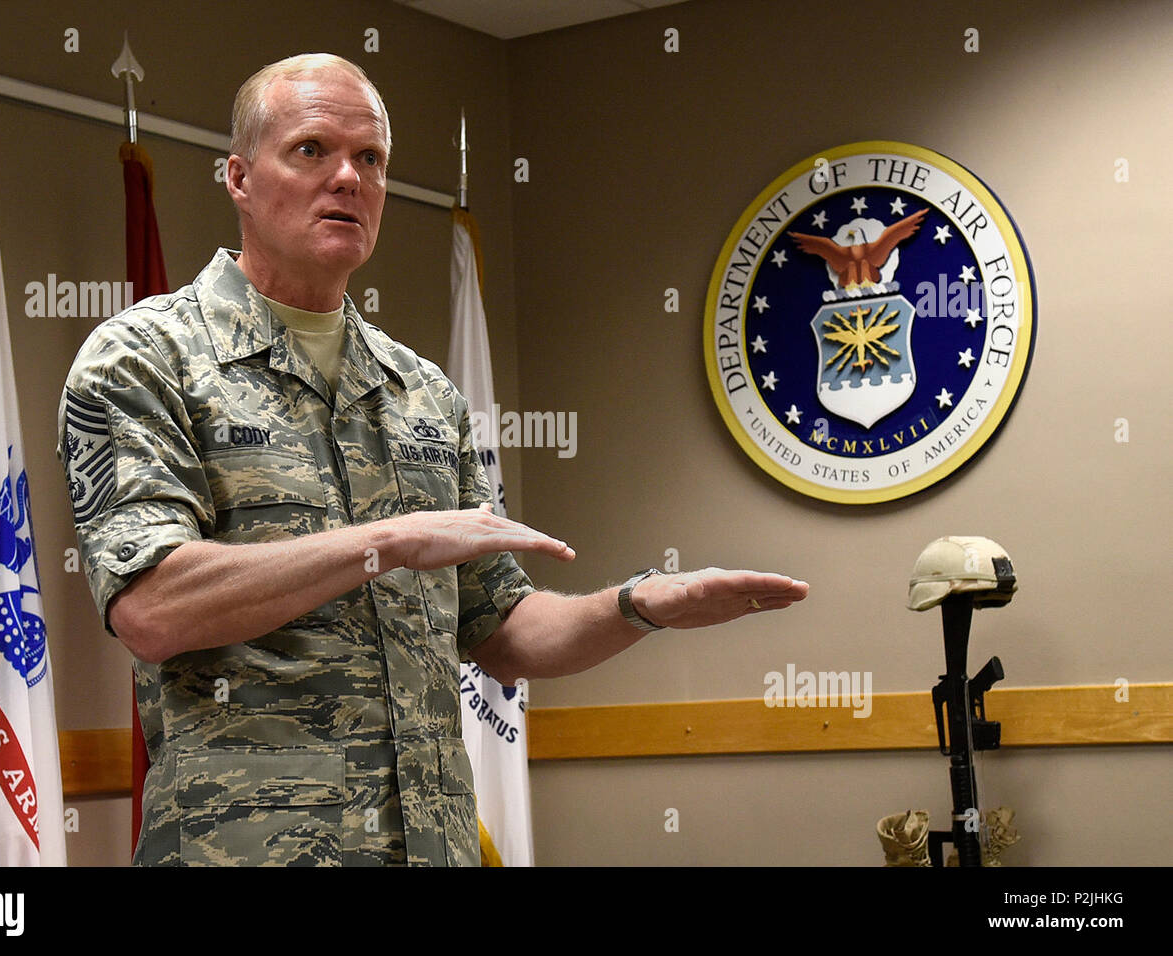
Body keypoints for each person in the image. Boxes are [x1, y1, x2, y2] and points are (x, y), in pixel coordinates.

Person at [57, 53, 809, 867]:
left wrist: (639, 605)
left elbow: (504, 629)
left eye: (370, 159)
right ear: (239, 177)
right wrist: (383, 544)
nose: (348, 177)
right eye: (312, 150)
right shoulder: (143, 357)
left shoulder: (422, 392)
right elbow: (153, 608)